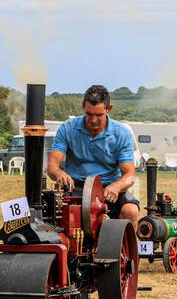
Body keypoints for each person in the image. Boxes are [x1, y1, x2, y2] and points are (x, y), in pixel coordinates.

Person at [46, 85, 139, 221]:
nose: (93, 120)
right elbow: (52, 166)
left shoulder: (122, 133)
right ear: (83, 106)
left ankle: (125, 242)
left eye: (99, 115)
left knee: (131, 211)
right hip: (76, 187)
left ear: (109, 109)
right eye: (89, 114)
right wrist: (59, 174)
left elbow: (130, 175)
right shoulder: (67, 128)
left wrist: (117, 186)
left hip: (109, 189)